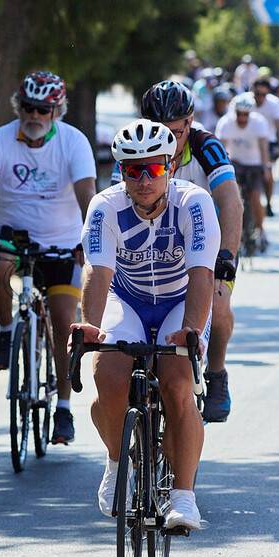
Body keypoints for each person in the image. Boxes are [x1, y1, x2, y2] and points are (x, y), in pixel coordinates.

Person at [76, 119, 220, 529]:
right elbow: (99, 273)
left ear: (170, 166)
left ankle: (183, 497)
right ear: (119, 170)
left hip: (181, 300)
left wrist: (191, 327)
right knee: (108, 374)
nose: (143, 179)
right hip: (129, 299)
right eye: (132, 169)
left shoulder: (194, 202)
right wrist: (90, 326)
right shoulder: (105, 206)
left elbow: (202, 275)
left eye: (153, 168)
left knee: (177, 384)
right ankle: (117, 461)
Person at [0, 70, 96, 445]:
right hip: (13, 234)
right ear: (19, 107)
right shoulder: (0, 140)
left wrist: (88, 240)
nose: (35, 116)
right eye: (29, 108)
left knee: (65, 321)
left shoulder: (73, 142)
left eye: (44, 110)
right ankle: (5, 330)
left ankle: (63, 409)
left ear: (57, 111)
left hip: (63, 240)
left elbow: (88, 196)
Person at [131, 80, 244, 423]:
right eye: (158, 131)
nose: (168, 141)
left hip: (200, 250)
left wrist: (225, 258)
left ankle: (217, 372)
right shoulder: (135, 145)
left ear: (190, 124)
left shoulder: (205, 145)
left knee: (219, 302)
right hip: (151, 250)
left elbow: (230, 203)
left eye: (176, 132)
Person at [216, 92, 272, 249]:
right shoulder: (225, 123)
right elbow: (221, 148)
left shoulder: (259, 122)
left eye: (245, 115)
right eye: (239, 114)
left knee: (255, 196)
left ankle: (261, 230)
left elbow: (263, 147)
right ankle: (232, 233)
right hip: (234, 164)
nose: (242, 118)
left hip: (254, 163)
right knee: (232, 199)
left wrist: (266, 166)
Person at [251, 77, 279, 219]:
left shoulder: (274, 103)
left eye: (263, 95)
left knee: (268, 171)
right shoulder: (245, 102)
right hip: (250, 142)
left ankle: (268, 201)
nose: (260, 98)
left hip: (269, 141)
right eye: (257, 94)